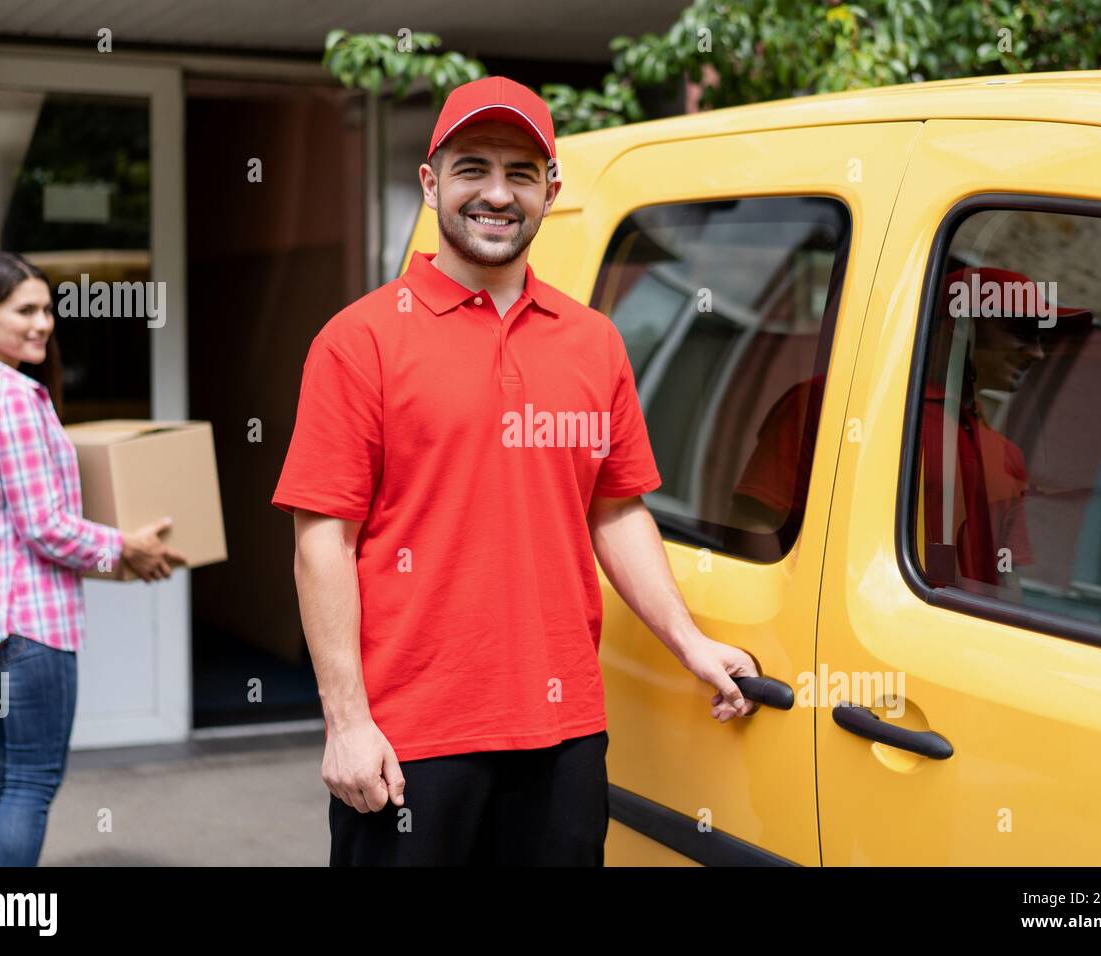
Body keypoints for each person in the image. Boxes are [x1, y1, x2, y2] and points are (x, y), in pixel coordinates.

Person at [272, 76, 761, 867]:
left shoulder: (594, 341)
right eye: (473, 168)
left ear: (549, 189)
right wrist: (346, 722)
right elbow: (322, 541)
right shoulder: (358, 341)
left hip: (562, 735)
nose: (497, 194)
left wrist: (690, 643)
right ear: (431, 184)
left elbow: (616, 509)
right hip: (410, 740)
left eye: (521, 173)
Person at [0, 251, 185, 866]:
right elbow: (46, 528)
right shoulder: (15, 400)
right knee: (30, 783)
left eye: (48, 310)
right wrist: (126, 547)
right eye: (25, 310)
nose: (43, 324)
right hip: (29, 628)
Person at [729, 265, 1091, 591]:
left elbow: (1005, 579)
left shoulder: (1007, 456)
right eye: (1021, 332)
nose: (1037, 353)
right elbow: (757, 528)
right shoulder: (837, 404)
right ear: (959, 330)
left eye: (1041, 339)